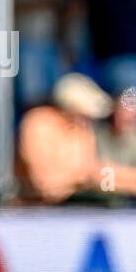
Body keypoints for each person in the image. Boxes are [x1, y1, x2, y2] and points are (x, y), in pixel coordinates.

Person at [16, 72, 110, 205]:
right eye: (84, 115)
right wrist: (84, 178)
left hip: (73, 207)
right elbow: (44, 184)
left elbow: (92, 170)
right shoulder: (38, 124)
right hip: (33, 212)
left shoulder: (83, 128)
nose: (87, 120)